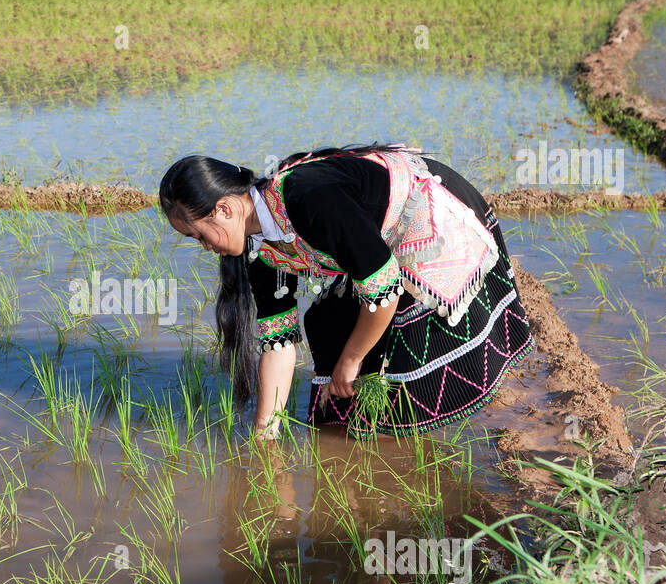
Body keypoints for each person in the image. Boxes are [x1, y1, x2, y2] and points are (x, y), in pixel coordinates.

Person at [159, 143, 534, 439]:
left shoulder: (306, 198)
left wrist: (351, 361)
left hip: (427, 213)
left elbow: (383, 291)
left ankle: (500, 415)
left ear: (224, 209)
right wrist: (265, 434)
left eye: (198, 235)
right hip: (379, 248)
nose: (205, 247)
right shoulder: (259, 250)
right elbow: (279, 344)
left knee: (398, 365)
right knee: (325, 327)